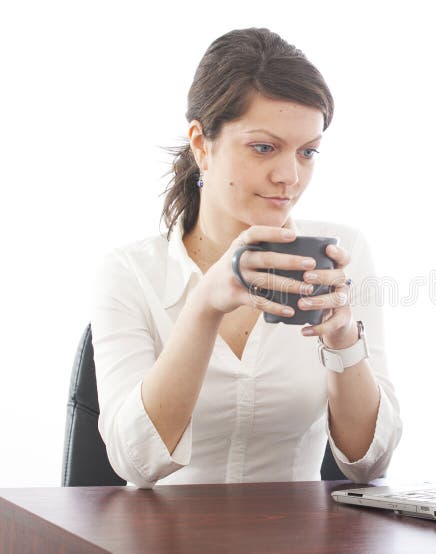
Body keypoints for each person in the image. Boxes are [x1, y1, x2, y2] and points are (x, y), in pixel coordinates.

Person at [90, 28, 402, 489]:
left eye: (308, 152)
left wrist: (342, 341)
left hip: (298, 537)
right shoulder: (130, 272)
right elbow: (135, 465)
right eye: (264, 147)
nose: (290, 176)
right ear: (202, 144)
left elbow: (366, 464)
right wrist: (204, 305)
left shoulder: (341, 255)